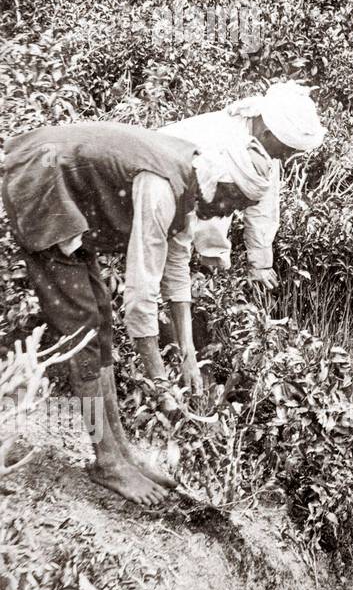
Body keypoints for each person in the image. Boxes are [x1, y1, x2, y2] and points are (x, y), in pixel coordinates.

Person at [1, 122, 272, 506]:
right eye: (234, 202)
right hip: (42, 181)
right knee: (82, 329)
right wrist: (159, 383)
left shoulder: (192, 183)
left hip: (63, 189)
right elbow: (142, 294)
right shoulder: (162, 187)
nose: (230, 213)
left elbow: (176, 273)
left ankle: (120, 452)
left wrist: (188, 356)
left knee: (101, 322)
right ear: (222, 184)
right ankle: (107, 459)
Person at [159, 81, 325, 288]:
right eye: (286, 150)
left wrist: (261, 264)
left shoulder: (265, 145)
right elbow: (211, 213)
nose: (285, 158)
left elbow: (264, 203)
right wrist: (214, 267)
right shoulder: (223, 141)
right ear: (267, 134)